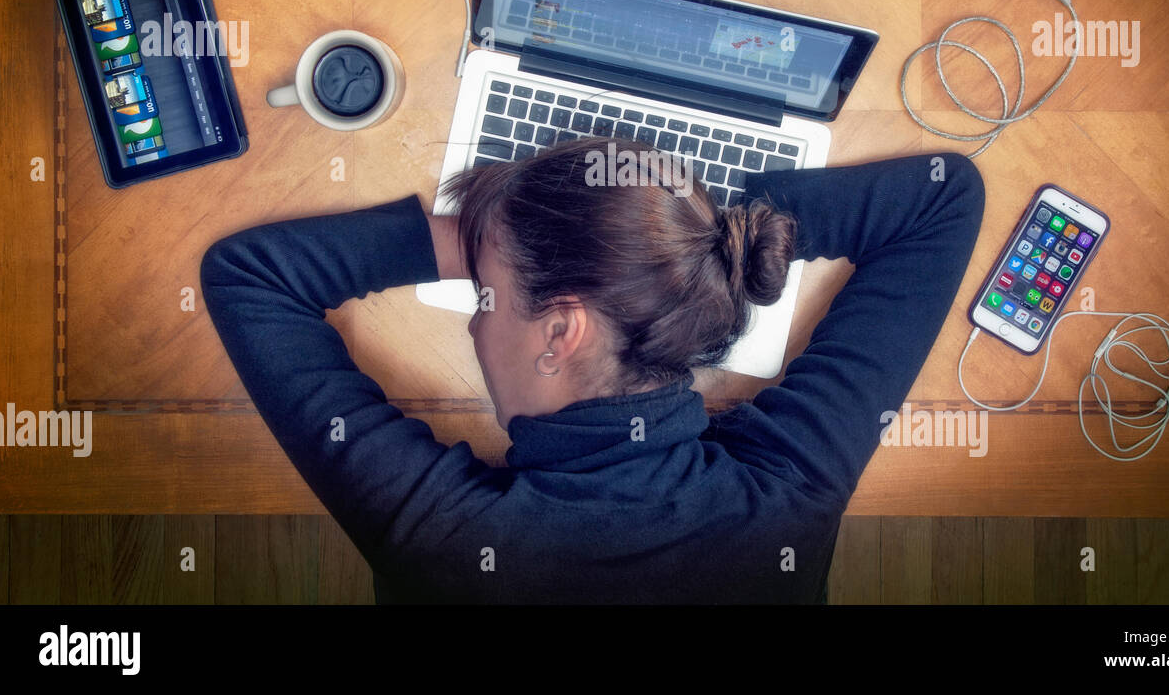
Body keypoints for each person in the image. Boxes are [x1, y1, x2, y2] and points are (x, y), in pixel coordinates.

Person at [200, 136, 984, 603]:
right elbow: (941, 202)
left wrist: (468, 240)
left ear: (560, 333)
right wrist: (696, 237)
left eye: (483, 294)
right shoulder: (787, 498)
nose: (476, 320)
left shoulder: (441, 542)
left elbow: (250, 277)